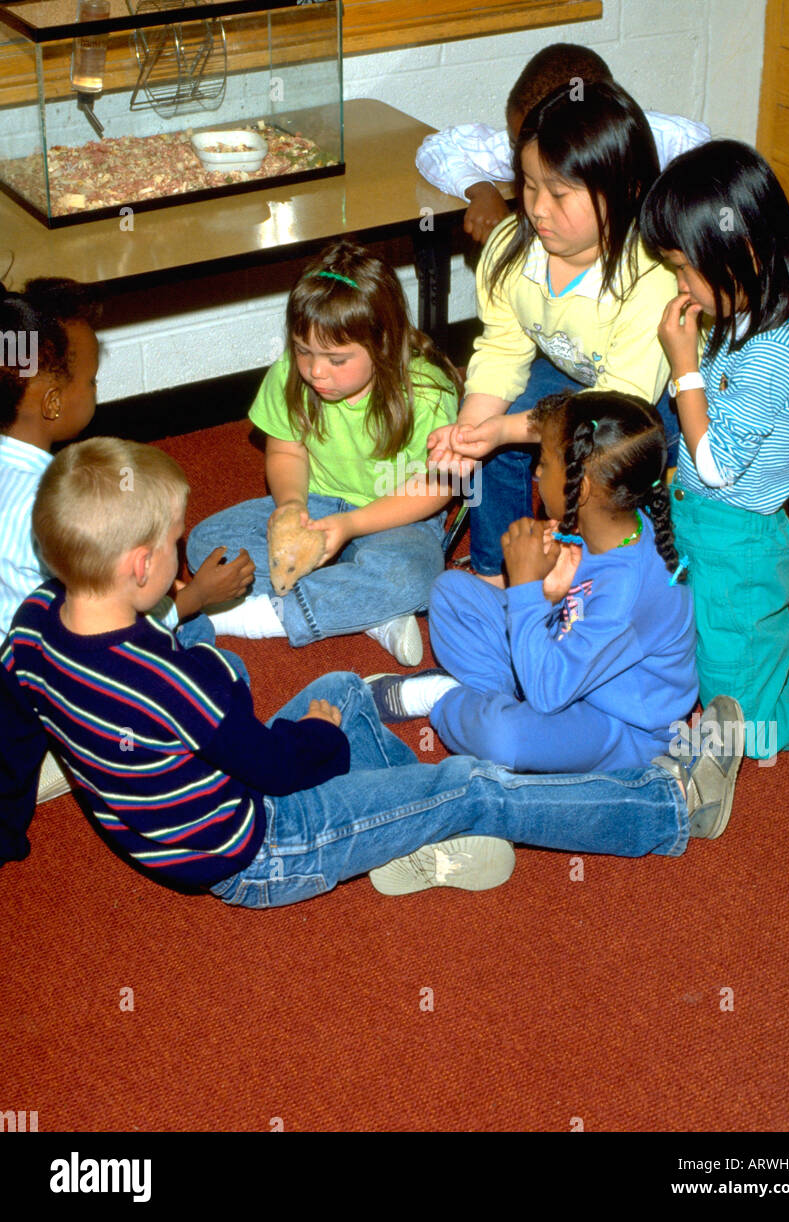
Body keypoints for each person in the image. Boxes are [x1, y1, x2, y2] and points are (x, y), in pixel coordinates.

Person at [0, 436, 744, 907]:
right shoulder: (183, 678)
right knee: (471, 783)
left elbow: (12, 727)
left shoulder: (31, 624)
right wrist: (318, 745)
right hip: (259, 847)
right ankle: (671, 810)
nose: (181, 546)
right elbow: (271, 764)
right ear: (139, 566)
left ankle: (406, 830)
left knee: (341, 690)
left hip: (172, 824)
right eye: (173, 539)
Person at [639, 138, 789, 757]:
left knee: (742, 728)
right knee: (729, 652)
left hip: (741, 546)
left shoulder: (775, 352)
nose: (679, 284)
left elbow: (715, 466)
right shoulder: (742, 318)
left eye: (685, 268)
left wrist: (683, 365)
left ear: (745, 251)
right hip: (712, 534)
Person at [0, 280, 253, 798]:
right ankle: (63, 741)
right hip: (33, 678)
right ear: (52, 403)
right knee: (199, 655)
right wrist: (194, 600)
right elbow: (95, 631)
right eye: (90, 381)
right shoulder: (46, 507)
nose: (96, 389)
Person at [370, 390, 698, 774]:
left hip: (617, 726)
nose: (537, 473)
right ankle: (497, 701)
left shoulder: (629, 592)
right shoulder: (614, 524)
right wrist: (550, 592)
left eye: (544, 462)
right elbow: (572, 619)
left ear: (583, 487)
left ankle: (444, 697)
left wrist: (526, 587)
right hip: (561, 672)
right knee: (451, 592)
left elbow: (549, 692)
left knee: (503, 738)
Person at [428, 79, 679, 584]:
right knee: (494, 437)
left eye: (560, 193)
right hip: (577, 379)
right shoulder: (510, 249)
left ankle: (597, 572)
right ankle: (495, 575)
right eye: (528, 184)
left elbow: (614, 412)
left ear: (625, 190)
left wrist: (506, 428)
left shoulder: (652, 279)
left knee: (580, 462)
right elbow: (501, 350)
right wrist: (473, 429)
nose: (538, 208)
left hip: (645, 409)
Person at [186, 241, 462, 666]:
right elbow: (285, 449)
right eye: (303, 350)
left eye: (336, 359)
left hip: (396, 517)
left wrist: (351, 525)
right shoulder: (291, 375)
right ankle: (364, 609)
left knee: (418, 577)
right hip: (317, 507)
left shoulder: (427, 393)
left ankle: (267, 616)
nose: (316, 371)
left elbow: (435, 487)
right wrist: (292, 504)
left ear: (384, 344)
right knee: (206, 546)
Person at [415, 42, 710, 244]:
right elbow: (438, 149)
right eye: (518, 142)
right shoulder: (527, 144)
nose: (520, 156)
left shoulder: (681, 146)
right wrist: (481, 190)